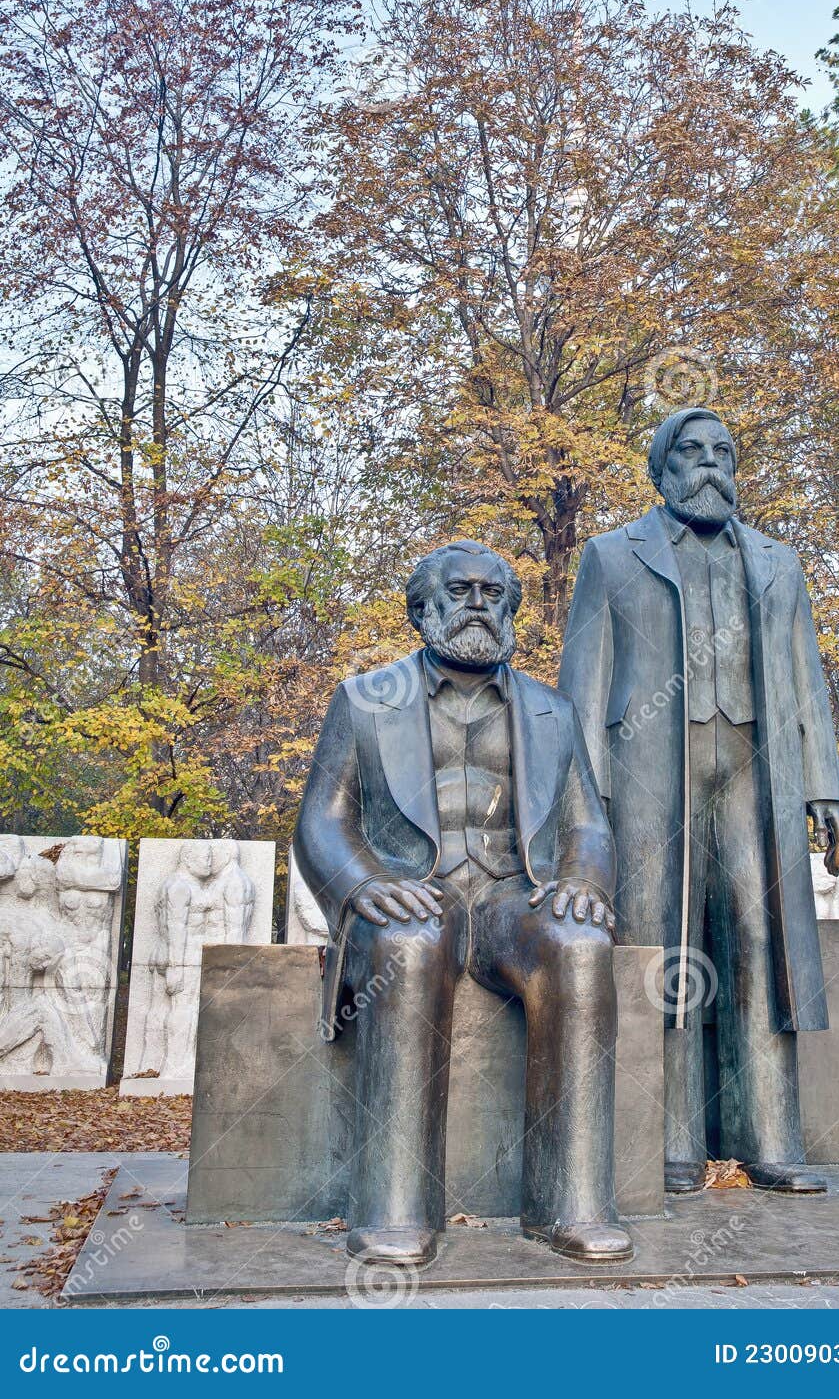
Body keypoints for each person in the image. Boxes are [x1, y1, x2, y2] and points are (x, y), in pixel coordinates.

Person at [295, 539, 633, 1267]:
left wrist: (583, 882)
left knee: (579, 943)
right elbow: (322, 819)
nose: (478, 604)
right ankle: (394, 1210)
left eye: (493, 593)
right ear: (422, 608)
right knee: (408, 938)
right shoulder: (364, 698)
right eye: (460, 591)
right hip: (417, 890)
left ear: (511, 610)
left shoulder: (552, 709)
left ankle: (570, 1206)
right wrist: (366, 885)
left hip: (514, 897)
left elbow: (586, 824)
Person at [560, 408, 839, 1193]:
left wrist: (824, 786)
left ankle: (770, 1140)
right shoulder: (611, 555)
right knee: (661, 941)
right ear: (659, 470)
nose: (710, 464)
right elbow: (582, 685)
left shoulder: (777, 562)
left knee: (760, 938)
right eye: (690, 452)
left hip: (757, 770)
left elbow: (804, 676)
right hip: (648, 768)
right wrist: (579, 802)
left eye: (722, 452)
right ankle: (669, 1140)